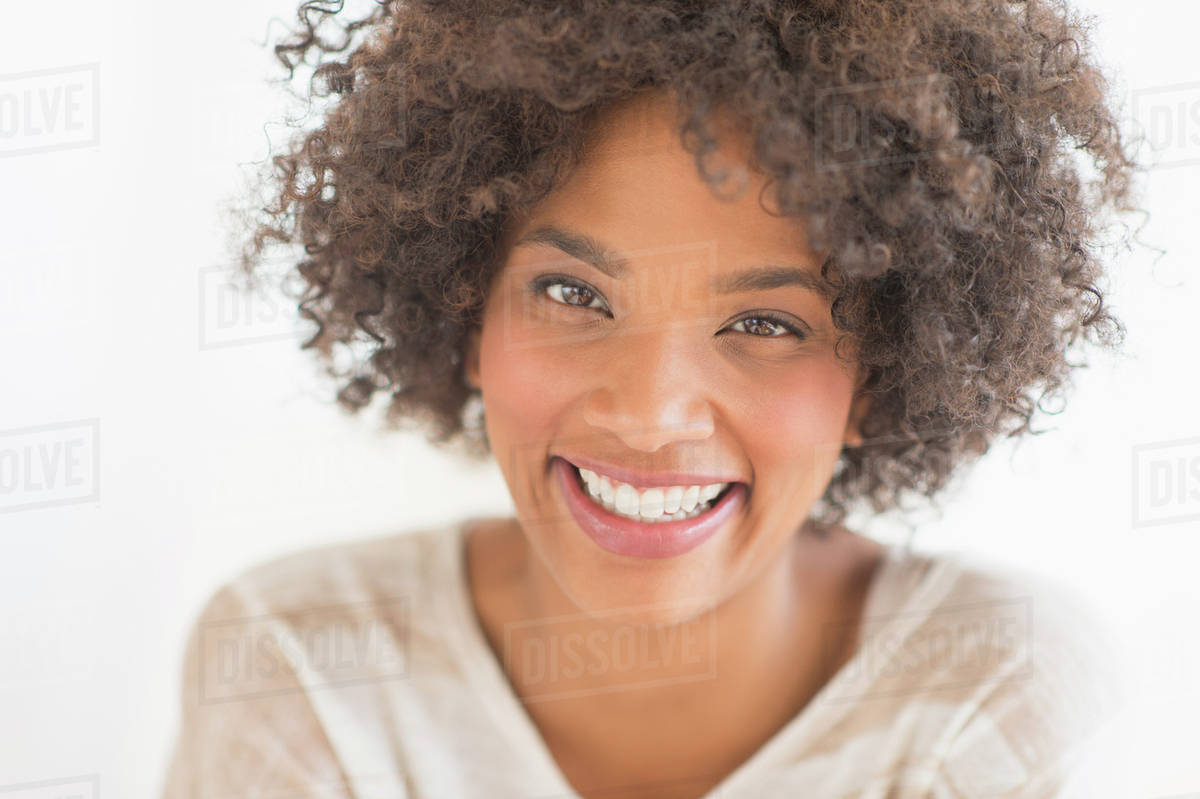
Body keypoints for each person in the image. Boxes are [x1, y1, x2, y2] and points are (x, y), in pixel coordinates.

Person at [163, 1, 1140, 796]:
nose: (648, 412)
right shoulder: (306, 665)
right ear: (465, 313)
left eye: (766, 323)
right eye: (574, 294)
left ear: (880, 379)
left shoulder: (999, 694)